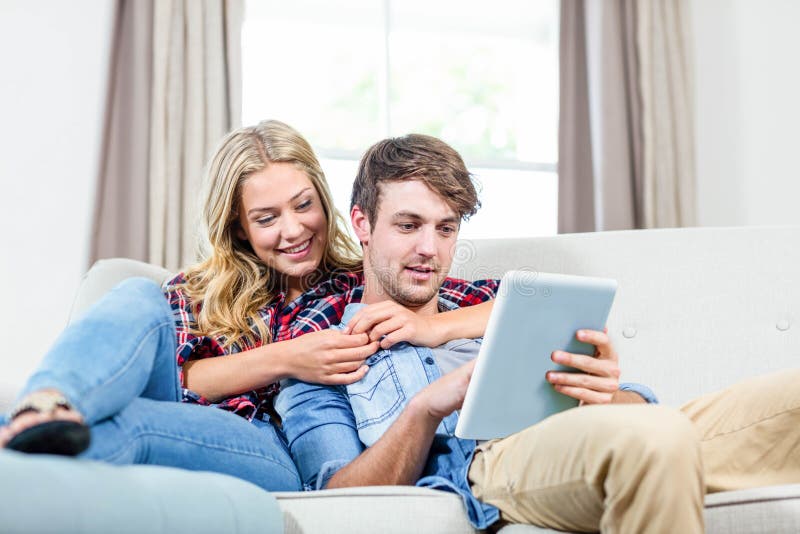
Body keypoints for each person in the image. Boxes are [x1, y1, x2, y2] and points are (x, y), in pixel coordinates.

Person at [276, 133, 800, 533]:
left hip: (602, 433)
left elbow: (629, 411)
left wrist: (601, 392)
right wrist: (426, 407)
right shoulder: (319, 351)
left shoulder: (492, 309)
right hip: (495, 461)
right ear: (363, 224)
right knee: (656, 437)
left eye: (446, 228)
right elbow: (333, 494)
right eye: (409, 225)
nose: (429, 250)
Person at [0, 120, 491, 492]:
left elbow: (491, 300)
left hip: (260, 441)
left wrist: (434, 328)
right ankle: (45, 404)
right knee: (134, 293)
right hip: (183, 405)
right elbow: (180, 377)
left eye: (303, 206)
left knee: (125, 427)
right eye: (266, 217)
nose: (294, 230)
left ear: (329, 203)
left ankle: (21, 452)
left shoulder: (362, 278)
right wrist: (287, 358)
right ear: (238, 226)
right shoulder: (198, 293)